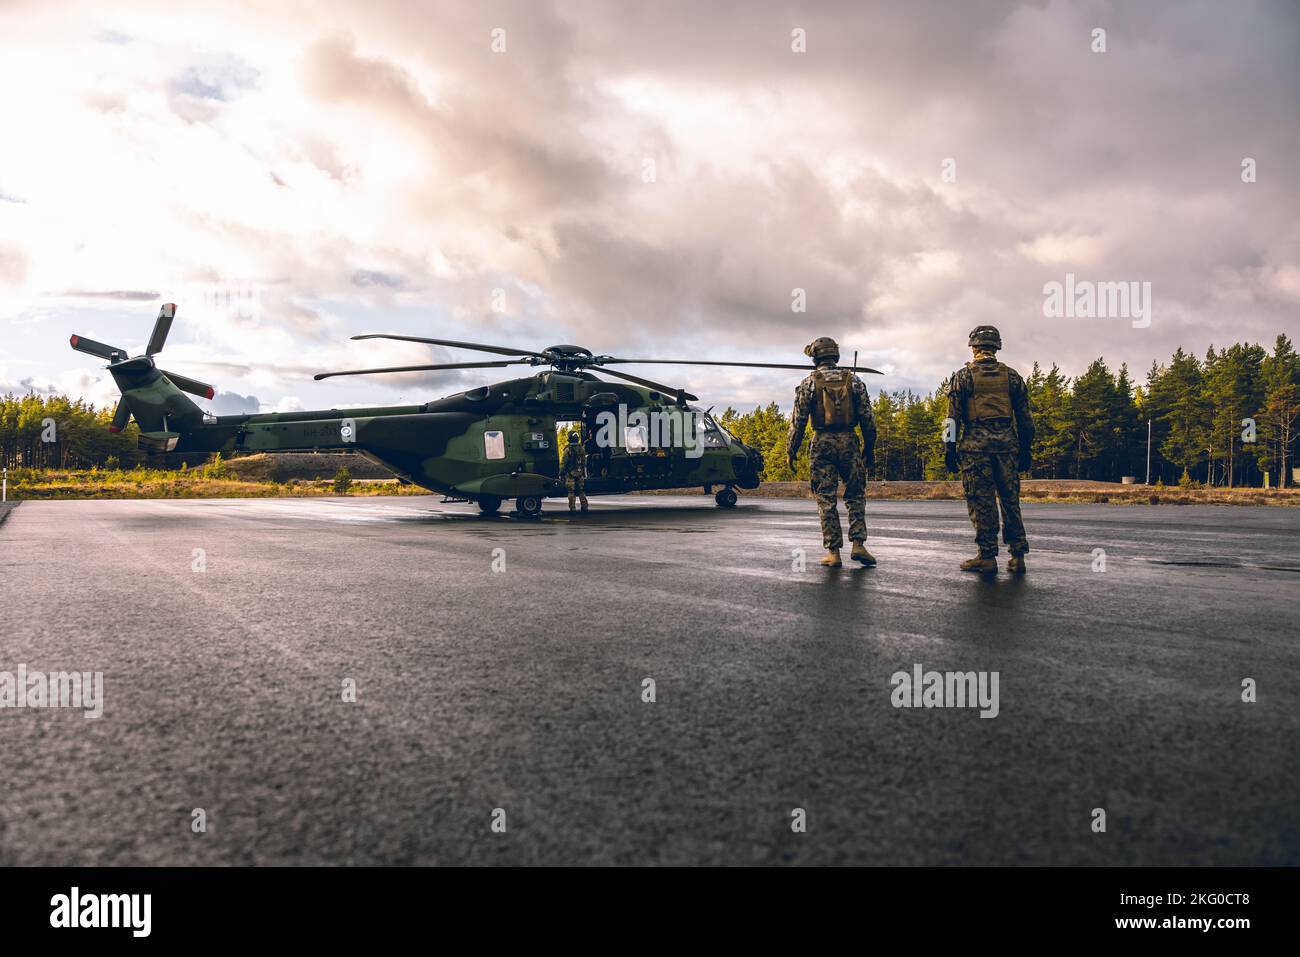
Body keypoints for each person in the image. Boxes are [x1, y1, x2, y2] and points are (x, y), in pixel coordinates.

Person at [944, 325, 1035, 573]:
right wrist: (1026, 450)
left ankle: (987, 555)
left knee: (981, 500)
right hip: (1007, 448)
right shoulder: (1012, 377)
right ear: (996, 347)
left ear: (974, 347)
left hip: (975, 449)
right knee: (1010, 501)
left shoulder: (963, 376)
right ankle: (1018, 555)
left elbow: (952, 419)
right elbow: (1026, 419)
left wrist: (949, 449)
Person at [786, 337, 877, 567]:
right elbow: (868, 419)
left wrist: (791, 449)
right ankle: (858, 544)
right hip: (849, 441)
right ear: (835, 356)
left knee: (825, 498)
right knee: (856, 495)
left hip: (822, 444)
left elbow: (798, 421)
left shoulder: (809, 383)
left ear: (816, 357)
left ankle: (833, 552)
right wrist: (869, 447)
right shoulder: (854, 381)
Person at [561, 429, 589, 513]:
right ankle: (584, 507)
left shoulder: (567, 450)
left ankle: (572, 508)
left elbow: (564, 463)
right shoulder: (582, 448)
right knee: (581, 491)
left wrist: (561, 472)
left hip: (570, 474)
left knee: (571, 492)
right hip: (580, 473)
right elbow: (584, 462)